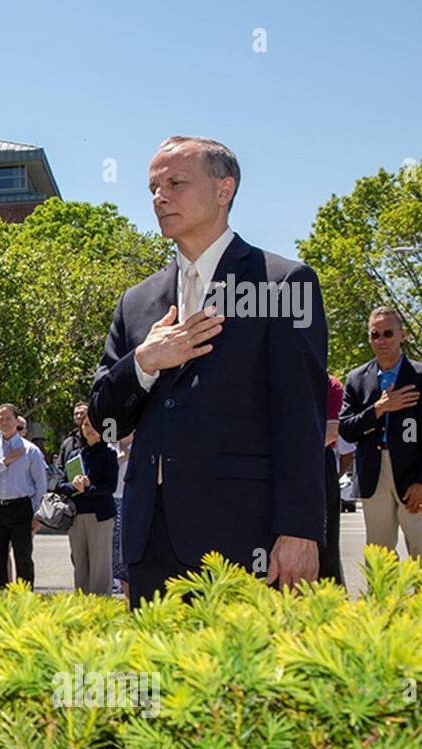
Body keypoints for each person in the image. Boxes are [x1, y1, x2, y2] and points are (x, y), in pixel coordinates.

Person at [89, 135, 328, 607]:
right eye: (153, 186)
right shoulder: (136, 302)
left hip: (247, 540)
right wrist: (144, 363)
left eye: (175, 182)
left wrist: (300, 531)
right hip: (148, 540)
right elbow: (103, 417)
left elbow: (301, 420)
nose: (160, 196)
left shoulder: (283, 284)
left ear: (224, 190)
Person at [339, 306, 422, 564]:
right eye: (375, 335)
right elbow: (347, 428)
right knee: (379, 561)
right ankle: (382, 605)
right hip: (374, 477)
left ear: (402, 335)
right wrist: (379, 409)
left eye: (388, 333)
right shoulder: (355, 379)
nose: (381, 340)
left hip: (415, 479)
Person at [0, 403, 48, 588]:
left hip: (21, 508)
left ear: (17, 421)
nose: (4, 422)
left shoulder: (30, 450)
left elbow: (41, 485)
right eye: (1, 419)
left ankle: (24, 598)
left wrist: (38, 514)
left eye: (8, 418)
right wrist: (5, 461)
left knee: (23, 557)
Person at [56, 411, 118, 595]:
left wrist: (88, 487)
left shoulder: (108, 454)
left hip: (100, 515)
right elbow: (60, 485)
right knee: (80, 563)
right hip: (76, 516)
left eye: (92, 425)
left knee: (100, 564)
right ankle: (82, 603)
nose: (89, 429)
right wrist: (73, 485)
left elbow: (110, 486)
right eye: (85, 426)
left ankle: (101, 605)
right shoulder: (74, 454)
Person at [318, 374, 346, 586]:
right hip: (281, 465)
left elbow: (331, 433)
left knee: (326, 549)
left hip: (320, 465)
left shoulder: (331, 385)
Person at [111, 432, 133, 596]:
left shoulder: (143, 441)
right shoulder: (111, 445)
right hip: (112, 501)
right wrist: (122, 457)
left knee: (129, 553)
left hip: (133, 500)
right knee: (115, 554)